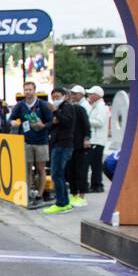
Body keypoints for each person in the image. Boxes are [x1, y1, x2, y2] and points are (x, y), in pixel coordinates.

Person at [42, 85, 87, 215]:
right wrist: (46, 125)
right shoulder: (59, 109)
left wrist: (55, 111)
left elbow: (67, 122)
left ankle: (62, 203)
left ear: (64, 96)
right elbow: (54, 125)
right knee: (58, 173)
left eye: (57, 96)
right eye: (53, 97)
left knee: (57, 173)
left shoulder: (68, 108)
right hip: (57, 144)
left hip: (64, 145)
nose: (55, 99)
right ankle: (64, 202)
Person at [9, 81, 53, 208]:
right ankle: (27, 194)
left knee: (40, 169)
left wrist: (43, 126)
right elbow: (11, 118)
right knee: (27, 169)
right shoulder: (20, 106)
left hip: (41, 142)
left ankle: (39, 195)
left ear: (34, 90)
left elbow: (51, 122)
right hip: (26, 142)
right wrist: (13, 122)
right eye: (26, 90)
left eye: (30, 89)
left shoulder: (43, 105)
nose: (28, 92)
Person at [67, 85, 92, 208]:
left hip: (80, 145)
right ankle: (74, 194)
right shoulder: (71, 107)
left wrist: (86, 138)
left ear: (81, 94)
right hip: (70, 144)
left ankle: (82, 197)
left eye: (75, 94)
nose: (73, 96)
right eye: (71, 93)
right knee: (71, 171)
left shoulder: (83, 107)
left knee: (81, 171)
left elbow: (87, 125)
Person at [84, 86, 109, 192]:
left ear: (97, 96)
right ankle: (96, 184)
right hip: (96, 140)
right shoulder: (96, 107)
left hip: (97, 140)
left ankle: (97, 185)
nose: (89, 95)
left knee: (95, 164)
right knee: (95, 164)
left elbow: (99, 122)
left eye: (91, 94)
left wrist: (86, 120)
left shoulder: (101, 107)